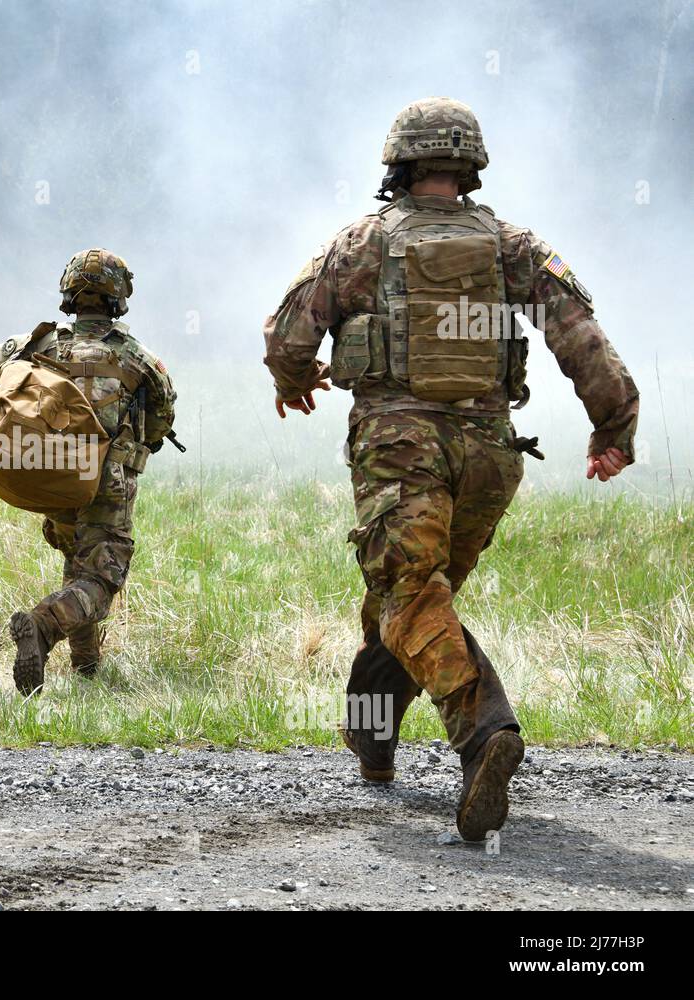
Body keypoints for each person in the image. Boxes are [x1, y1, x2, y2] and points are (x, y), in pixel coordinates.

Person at [263, 97, 639, 840]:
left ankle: (484, 731)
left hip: (401, 446)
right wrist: (613, 427)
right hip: (490, 456)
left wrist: (293, 381)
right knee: (414, 600)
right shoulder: (514, 246)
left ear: (397, 165)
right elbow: (583, 340)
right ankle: (372, 740)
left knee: (408, 595)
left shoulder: (361, 242)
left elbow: (286, 336)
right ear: (470, 166)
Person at [0, 249, 176, 695]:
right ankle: (43, 626)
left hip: (49, 477)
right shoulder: (139, 359)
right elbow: (162, 417)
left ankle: (86, 666)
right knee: (102, 576)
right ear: (118, 297)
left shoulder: (34, 345)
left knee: (78, 563)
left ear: (69, 293)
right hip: (106, 481)